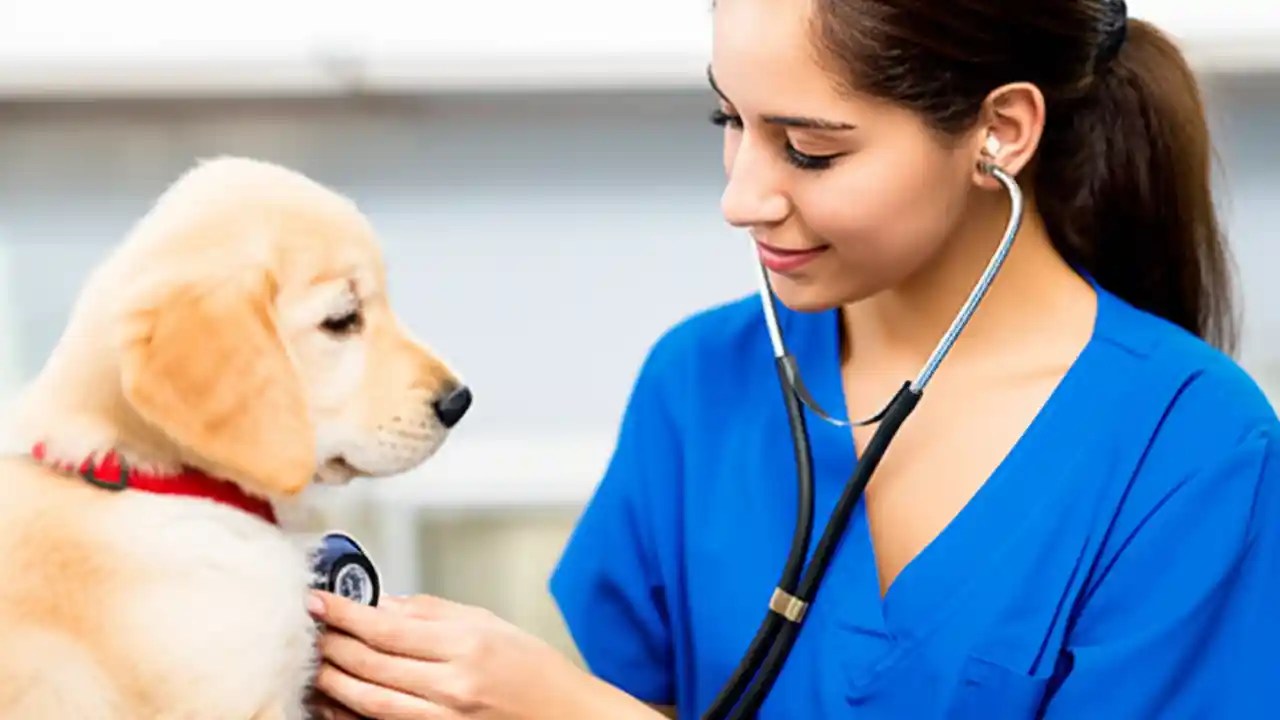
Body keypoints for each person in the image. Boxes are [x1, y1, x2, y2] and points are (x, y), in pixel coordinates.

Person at [305, 0, 1280, 717]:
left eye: (808, 149)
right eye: (728, 122)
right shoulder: (697, 390)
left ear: (999, 131)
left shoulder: (1192, 453)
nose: (740, 197)